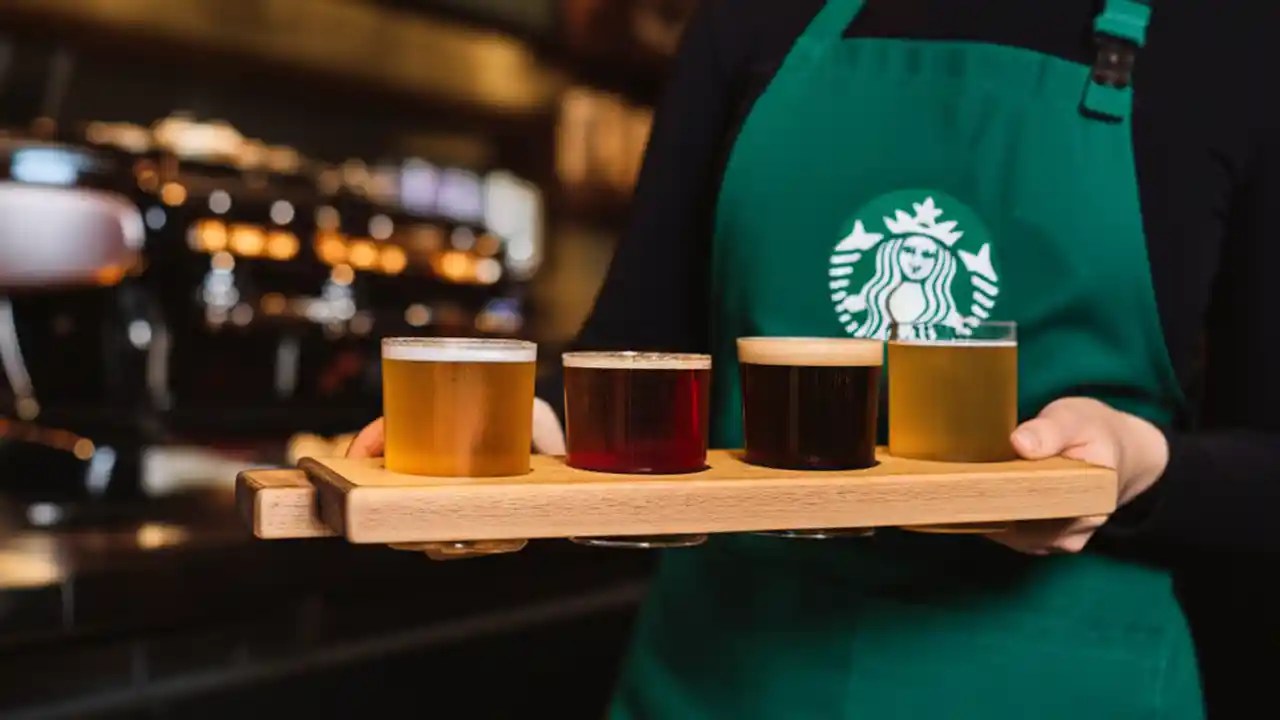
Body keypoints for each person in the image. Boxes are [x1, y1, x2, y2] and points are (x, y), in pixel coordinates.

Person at [350, 0, 1280, 716]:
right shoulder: (758, 13)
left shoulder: (1234, 35)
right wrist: (514, 438)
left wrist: (1142, 466)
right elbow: (633, 352)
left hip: (1058, 678)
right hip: (728, 677)